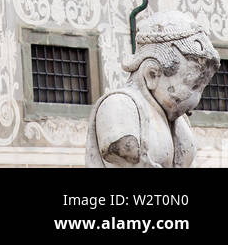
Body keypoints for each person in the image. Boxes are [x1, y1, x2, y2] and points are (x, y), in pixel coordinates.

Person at [85, 11, 219, 168]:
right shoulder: (119, 105)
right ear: (152, 74)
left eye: (201, 89)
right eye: (192, 86)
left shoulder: (178, 121)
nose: (195, 101)